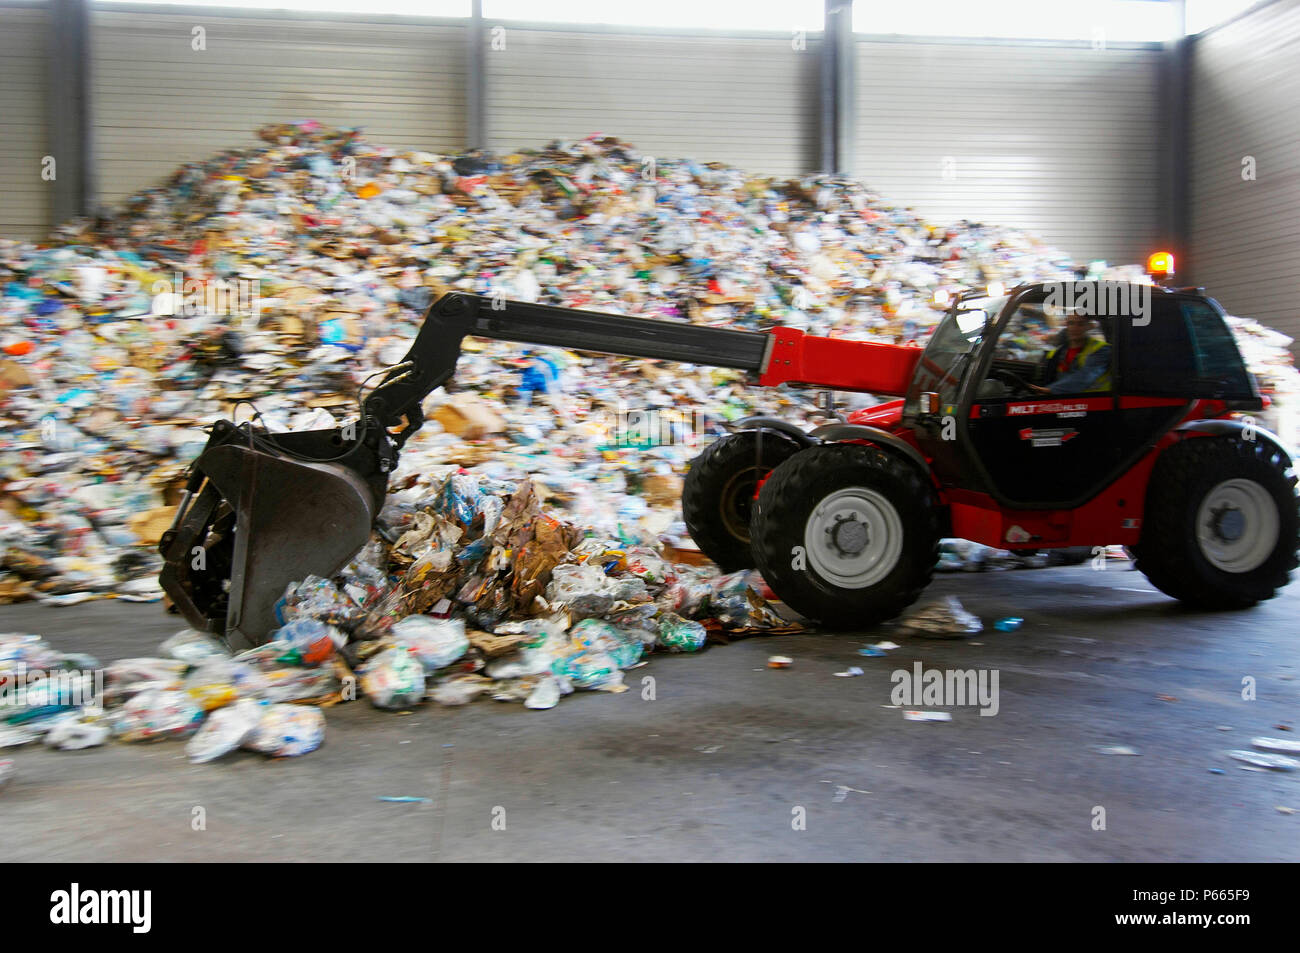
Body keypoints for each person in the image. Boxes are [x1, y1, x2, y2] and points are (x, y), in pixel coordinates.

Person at [1030, 315, 1111, 395]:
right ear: (1066, 326)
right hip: (1064, 403)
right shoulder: (1055, 354)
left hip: (1094, 402)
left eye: (1080, 324)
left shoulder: (1101, 349)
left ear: (1088, 326)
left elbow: (1085, 376)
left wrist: (1050, 390)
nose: (1075, 328)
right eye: (1071, 323)